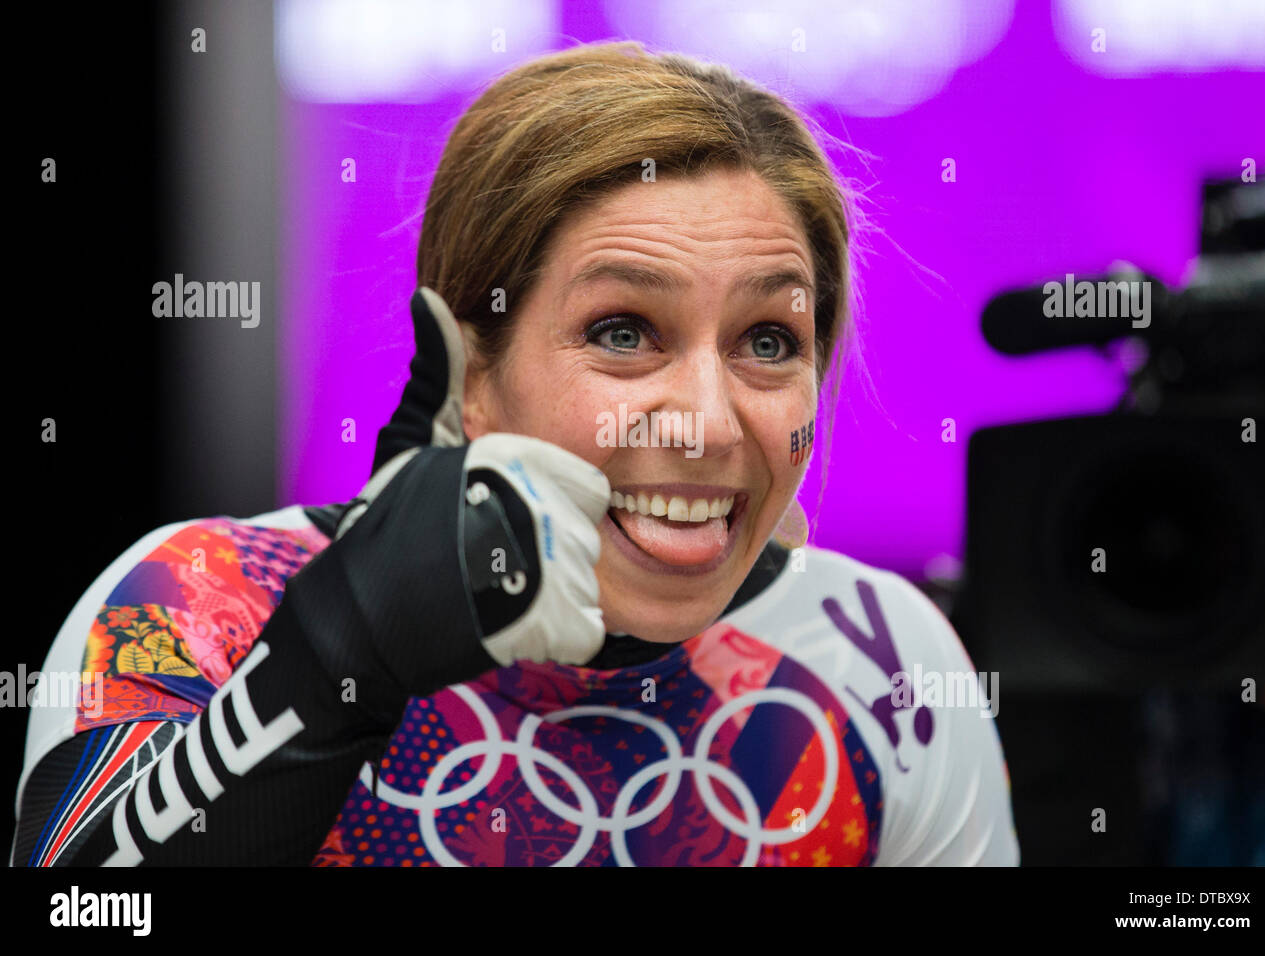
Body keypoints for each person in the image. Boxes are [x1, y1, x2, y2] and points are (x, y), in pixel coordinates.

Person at [11, 40, 1018, 867]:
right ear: (466, 370)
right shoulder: (203, 598)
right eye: (624, 331)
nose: (710, 423)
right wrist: (334, 659)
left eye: (768, 342)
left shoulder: (883, 661)